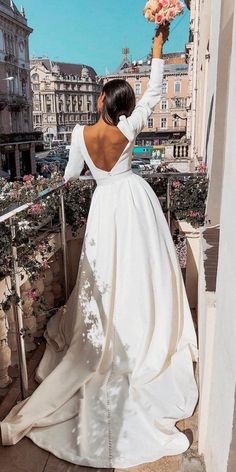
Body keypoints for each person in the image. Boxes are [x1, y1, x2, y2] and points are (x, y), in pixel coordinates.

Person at [0, 24, 199, 468]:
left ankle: (107, 334)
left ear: (103, 101)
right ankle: (142, 331)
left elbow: (70, 177)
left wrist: (86, 173)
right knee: (140, 269)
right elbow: (156, 87)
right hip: (135, 201)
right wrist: (158, 45)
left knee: (104, 274)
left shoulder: (78, 136)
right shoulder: (131, 126)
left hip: (106, 206)